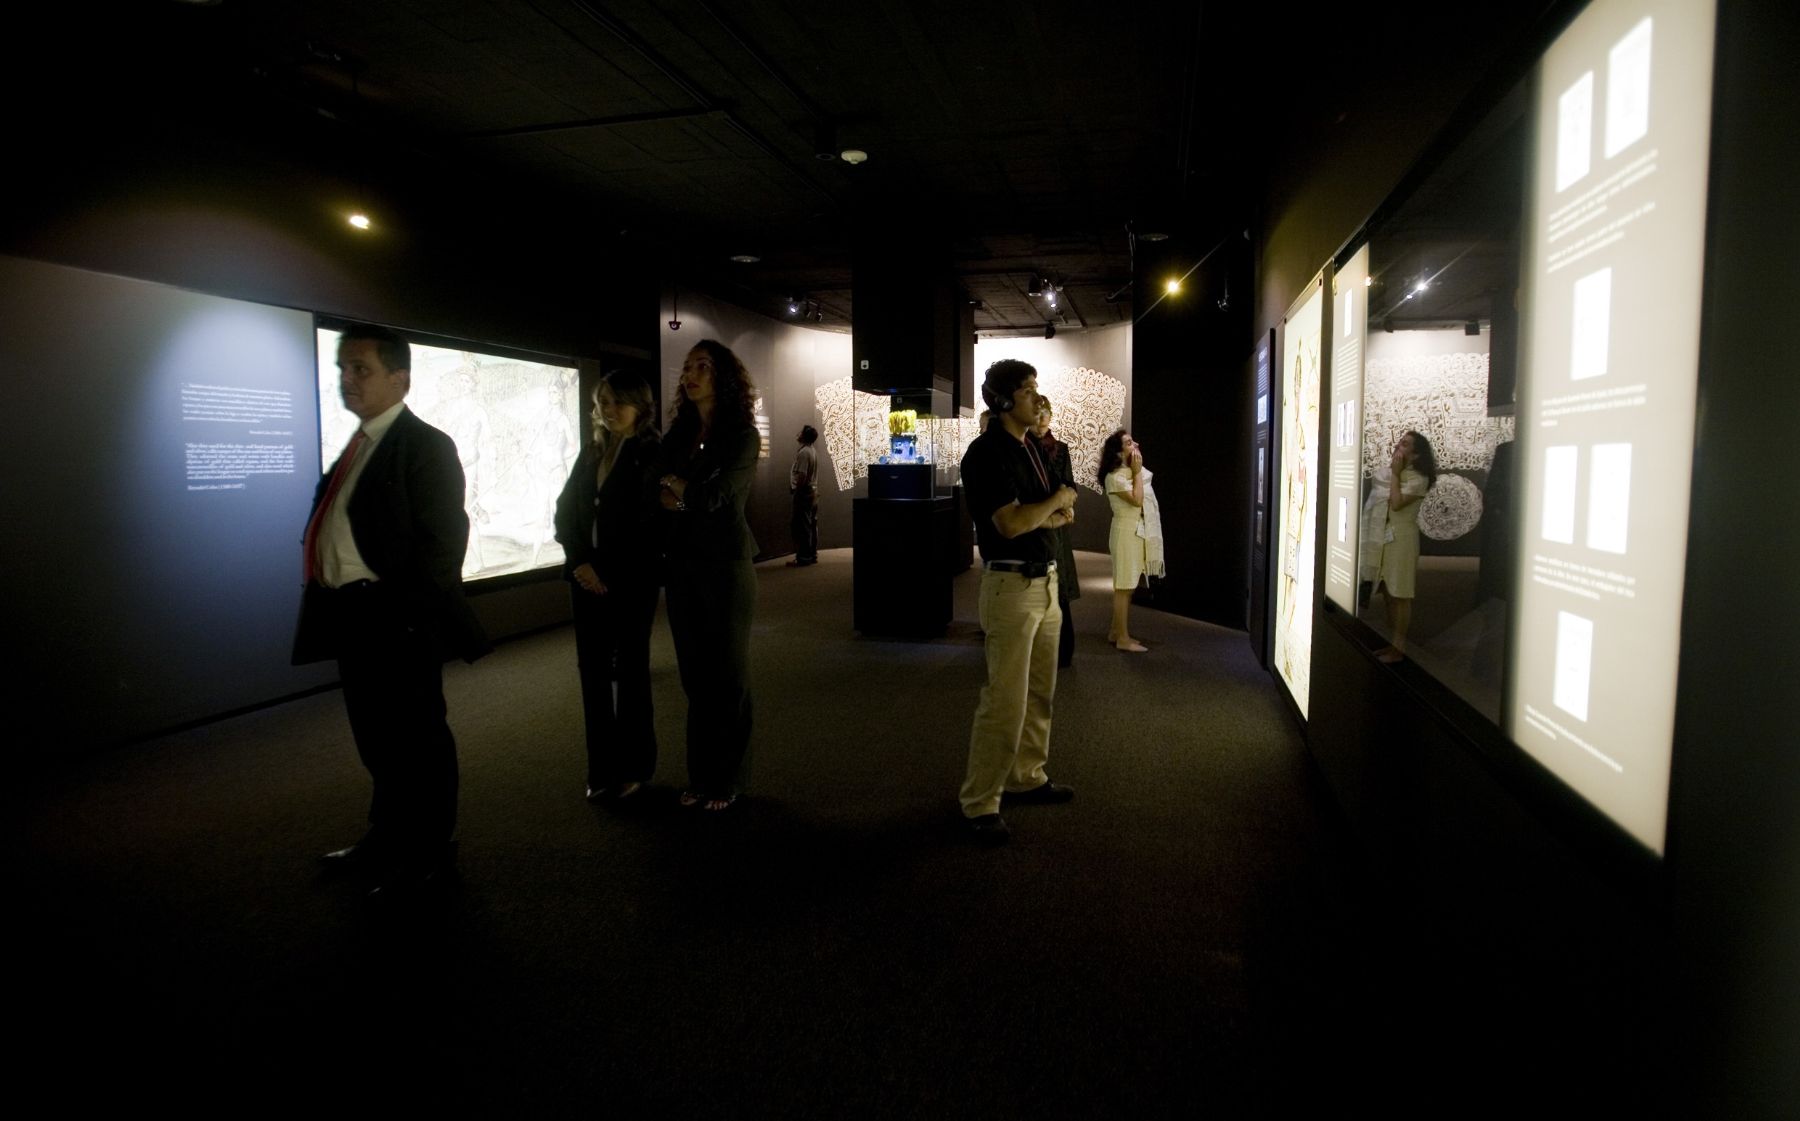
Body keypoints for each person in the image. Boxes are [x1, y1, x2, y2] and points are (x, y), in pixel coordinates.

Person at [293, 323, 491, 899]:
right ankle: (387, 834)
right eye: (342, 368)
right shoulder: (360, 445)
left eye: (361, 369)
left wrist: (405, 621)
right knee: (376, 738)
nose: (347, 380)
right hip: (353, 618)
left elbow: (441, 549)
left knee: (419, 740)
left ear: (399, 379)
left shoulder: (424, 445)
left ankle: (431, 851)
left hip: (396, 623)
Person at [957, 359, 1079, 845]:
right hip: (1011, 587)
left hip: (1045, 584)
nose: (1036, 397)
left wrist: (1046, 509)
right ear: (1005, 400)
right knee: (1004, 702)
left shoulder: (1030, 448)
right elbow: (1008, 524)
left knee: (1040, 694)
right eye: (1027, 390)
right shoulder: (986, 453)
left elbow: (1056, 513)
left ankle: (1027, 776)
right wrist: (1051, 504)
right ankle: (980, 801)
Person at [652, 340, 761, 812]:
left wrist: (682, 490)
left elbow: (718, 496)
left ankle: (728, 778)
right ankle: (701, 776)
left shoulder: (741, 435)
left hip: (726, 567)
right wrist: (684, 490)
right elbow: (660, 489)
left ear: (724, 378)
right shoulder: (677, 434)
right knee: (695, 678)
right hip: (682, 564)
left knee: (728, 676)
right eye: (688, 367)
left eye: (703, 367)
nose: (691, 375)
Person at [554, 371, 663, 804]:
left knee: (632, 675)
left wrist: (607, 571)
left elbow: (650, 523)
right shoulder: (591, 452)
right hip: (586, 579)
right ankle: (601, 769)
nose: (608, 409)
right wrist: (580, 561)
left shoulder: (651, 452)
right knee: (593, 677)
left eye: (618, 401)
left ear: (640, 404)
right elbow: (565, 511)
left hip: (631, 582)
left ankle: (635, 768)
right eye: (602, 401)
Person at [1370, 430, 1437, 663]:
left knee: (1401, 595)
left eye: (1405, 444)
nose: (1399, 445)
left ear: (1416, 454)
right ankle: (1391, 644)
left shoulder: (1419, 479)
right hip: (1388, 540)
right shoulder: (1398, 474)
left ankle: (1399, 649)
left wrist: (1396, 475)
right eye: (1400, 441)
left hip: (1403, 541)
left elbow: (1396, 503)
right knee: (1389, 592)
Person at [1099, 428, 1165, 653]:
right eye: (1128, 443)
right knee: (1123, 587)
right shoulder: (1116, 477)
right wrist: (1136, 472)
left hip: (1134, 532)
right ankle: (1123, 639)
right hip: (1125, 534)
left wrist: (1136, 472)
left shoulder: (1125, 474)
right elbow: (1137, 500)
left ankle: (1116, 631)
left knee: (1128, 586)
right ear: (1118, 453)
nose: (1135, 444)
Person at [1030, 397, 1082, 669]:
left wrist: (1066, 501)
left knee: (1058, 587)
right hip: (1034, 522)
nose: (1040, 420)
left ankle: (1062, 652)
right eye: (1036, 414)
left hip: (1057, 525)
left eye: (1044, 415)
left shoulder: (1059, 449)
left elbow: (1070, 485)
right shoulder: (1023, 448)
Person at [787, 424, 820, 566]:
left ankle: (804, 557)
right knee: (811, 523)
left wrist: (796, 489)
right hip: (812, 491)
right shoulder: (812, 451)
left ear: (804, 436)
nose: (798, 433)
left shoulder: (804, 453)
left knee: (802, 525)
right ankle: (811, 554)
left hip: (804, 492)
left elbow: (802, 475)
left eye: (801, 432)